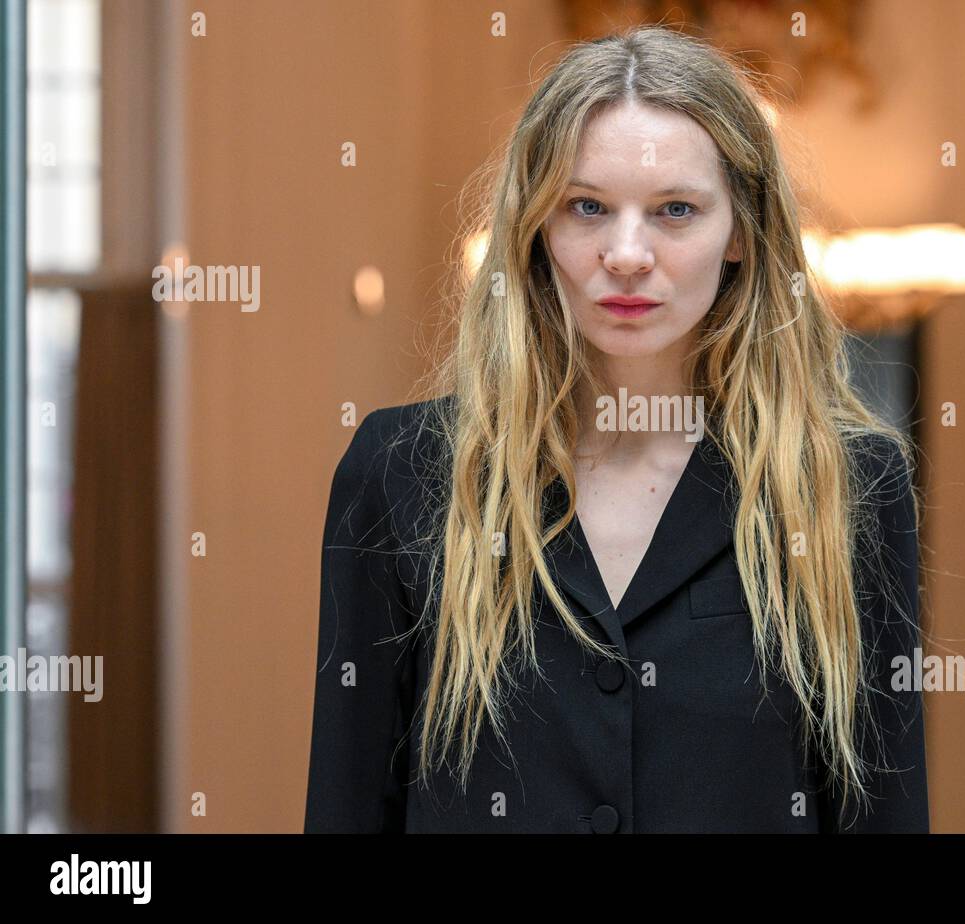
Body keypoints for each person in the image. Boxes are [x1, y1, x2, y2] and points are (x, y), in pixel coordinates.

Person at [305, 24, 928, 833]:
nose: (627, 254)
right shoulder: (400, 472)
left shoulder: (850, 484)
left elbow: (885, 814)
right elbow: (351, 807)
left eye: (675, 210)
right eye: (588, 206)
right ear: (536, 228)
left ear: (740, 232)